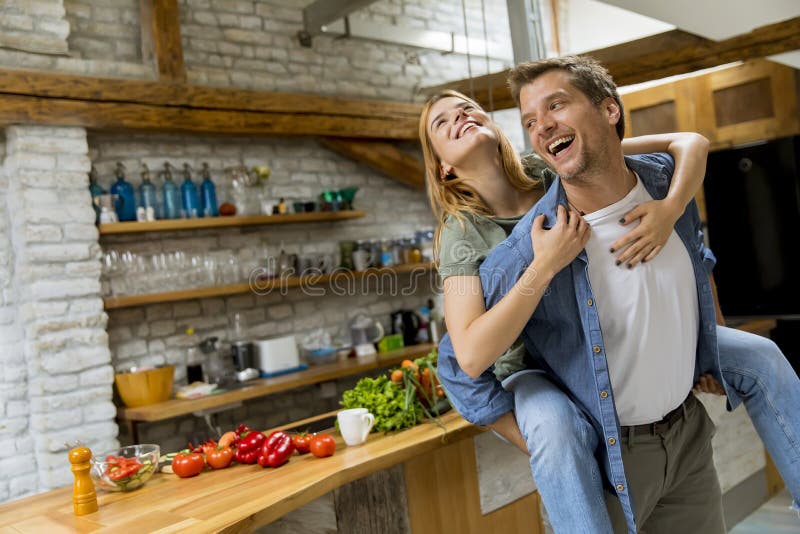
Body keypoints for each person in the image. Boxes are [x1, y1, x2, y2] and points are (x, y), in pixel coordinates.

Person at [422, 57, 800, 533]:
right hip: (532, 367)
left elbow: (685, 145)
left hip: (605, 349)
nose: (459, 117)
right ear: (443, 168)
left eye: (466, 107)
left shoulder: (550, 168)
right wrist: (545, 264)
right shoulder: (462, 236)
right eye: (441, 122)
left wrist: (669, 209)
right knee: (557, 433)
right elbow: (467, 357)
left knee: (763, 357)